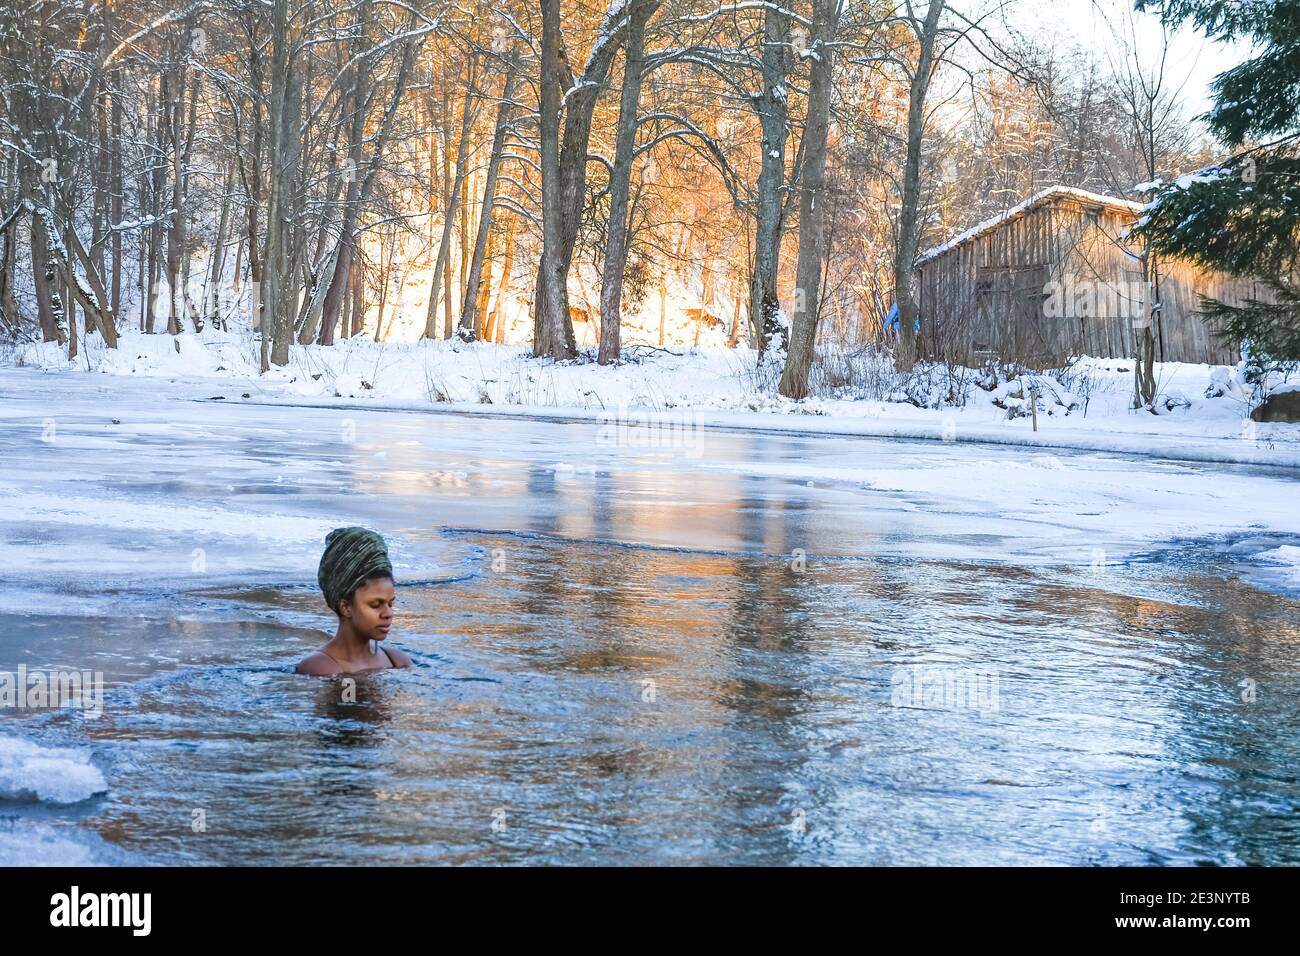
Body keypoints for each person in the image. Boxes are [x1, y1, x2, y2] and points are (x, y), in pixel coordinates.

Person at [296, 526, 412, 675]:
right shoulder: (320, 666)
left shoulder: (397, 660)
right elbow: (348, 696)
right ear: (345, 607)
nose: (388, 613)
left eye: (390, 603)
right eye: (375, 605)